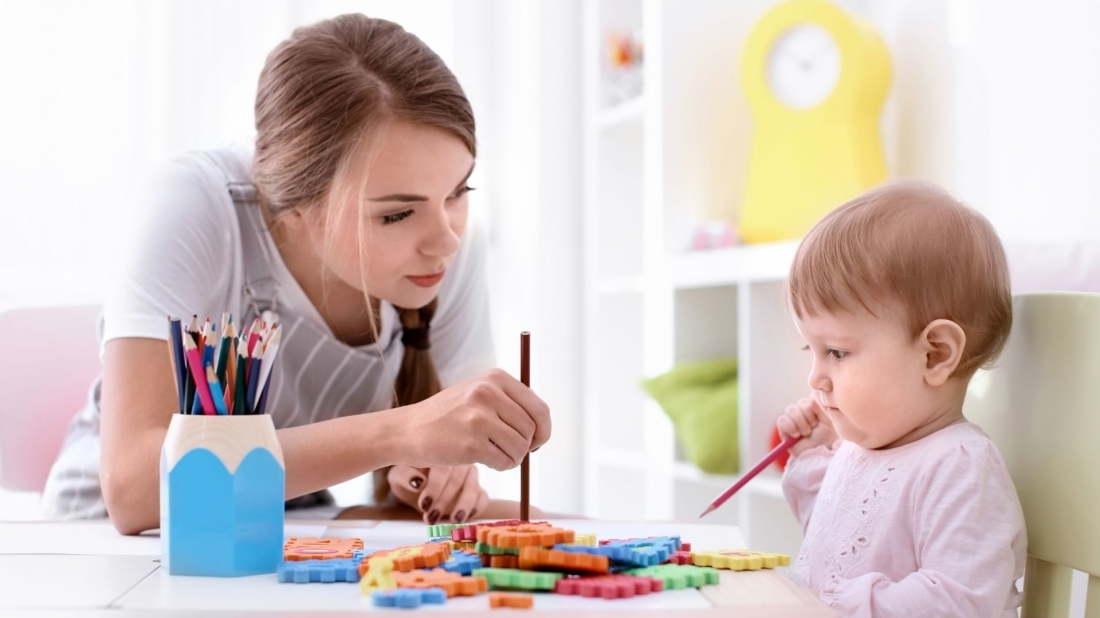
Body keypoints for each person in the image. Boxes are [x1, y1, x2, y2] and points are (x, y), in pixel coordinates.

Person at [43, 14, 551, 534]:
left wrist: (445, 478)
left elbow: (441, 466)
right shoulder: (193, 204)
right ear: (295, 211)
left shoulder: (444, 249)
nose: (446, 237)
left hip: (282, 529)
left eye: (458, 191)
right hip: (112, 541)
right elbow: (133, 488)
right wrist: (400, 433)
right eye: (396, 214)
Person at [776, 181, 1026, 616]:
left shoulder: (959, 465)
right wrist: (815, 455)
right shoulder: (860, 449)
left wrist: (830, 602)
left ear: (935, 354)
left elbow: (959, 601)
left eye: (836, 352)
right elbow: (832, 547)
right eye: (811, 350)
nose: (816, 376)